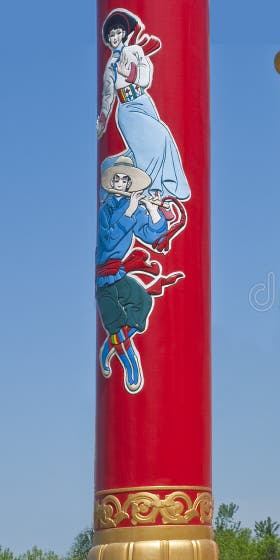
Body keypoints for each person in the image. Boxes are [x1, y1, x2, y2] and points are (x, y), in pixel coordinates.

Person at [97, 8, 191, 201]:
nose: (115, 37)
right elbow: (108, 96)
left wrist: (129, 73)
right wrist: (102, 120)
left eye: (118, 32)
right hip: (127, 109)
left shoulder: (136, 51)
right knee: (156, 139)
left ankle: (161, 189)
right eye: (111, 35)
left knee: (158, 140)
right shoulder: (109, 66)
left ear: (124, 33)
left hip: (143, 101)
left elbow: (146, 78)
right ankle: (153, 190)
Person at [96, 156, 166, 394]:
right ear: (111, 182)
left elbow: (151, 235)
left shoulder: (132, 208)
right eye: (116, 179)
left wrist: (154, 212)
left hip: (119, 274)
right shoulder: (106, 209)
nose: (120, 183)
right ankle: (131, 366)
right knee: (115, 324)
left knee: (143, 301)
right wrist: (130, 211)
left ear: (129, 185)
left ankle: (110, 346)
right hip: (103, 278)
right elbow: (108, 238)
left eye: (125, 180)